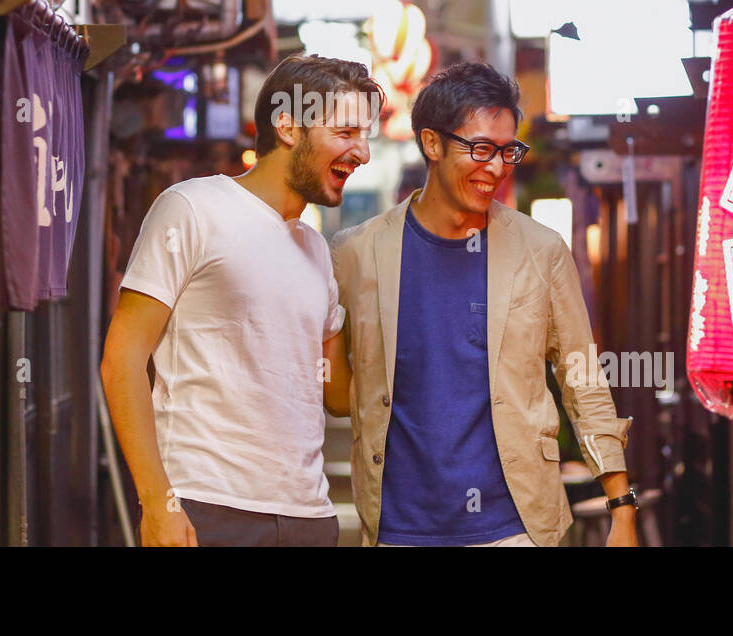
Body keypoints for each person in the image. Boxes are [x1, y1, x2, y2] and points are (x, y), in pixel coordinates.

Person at [330, 61, 637, 547]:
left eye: (507, 150)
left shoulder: (541, 251)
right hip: (398, 529)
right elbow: (335, 389)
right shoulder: (356, 253)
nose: (495, 166)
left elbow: (582, 377)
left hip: (515, 529)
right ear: (431, 143)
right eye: (480, 148)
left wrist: (621, 506)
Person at [101, 54, 382, 546]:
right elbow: (122, 361)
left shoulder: (316, 250)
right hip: (208, 506)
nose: (361, 153)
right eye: (345, 133)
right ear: (288, 126)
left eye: (364, 137)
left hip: (307, 516)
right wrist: (158, 503)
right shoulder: (192, 208)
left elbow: (337, 394)